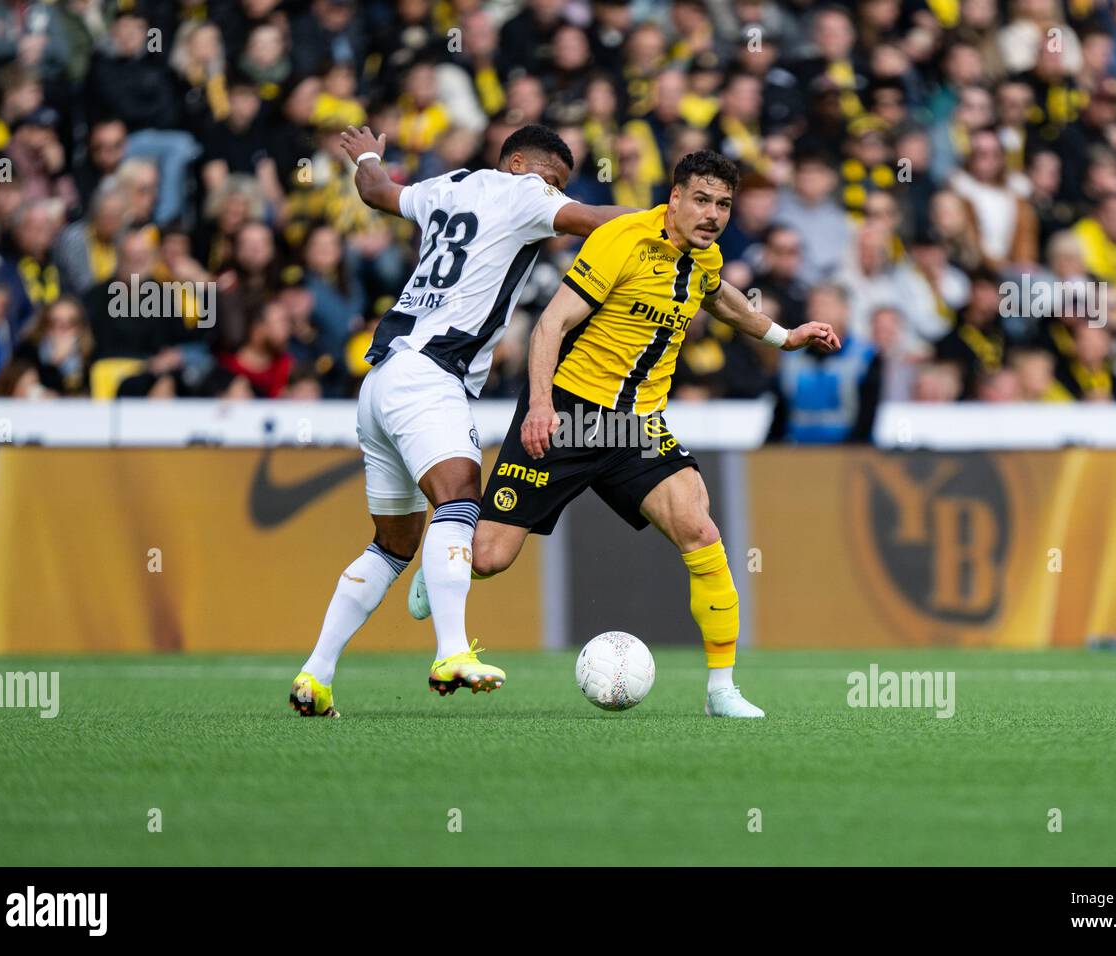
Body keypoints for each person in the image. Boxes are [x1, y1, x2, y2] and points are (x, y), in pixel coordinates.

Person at [406, 151, 840, 718]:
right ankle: (442, 561)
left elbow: (721, 296)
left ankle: (722, 690)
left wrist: (784, 336)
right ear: (676, 198)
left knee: (699, 527)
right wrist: (539, 407)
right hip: (569, 415)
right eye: (702, 200)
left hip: (636, 426)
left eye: (724, 205)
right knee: (488, 557)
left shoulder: (705, 257)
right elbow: (551, 324)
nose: (712, 215)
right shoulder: (622, 240)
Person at [289, 124, 632, 718]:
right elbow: (603, 219)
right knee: (460, 505)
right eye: (551, 180)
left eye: (558, 188)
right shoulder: (524, 191)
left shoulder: (447, 185)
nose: (553, 195)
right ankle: (451, 652)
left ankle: (315, 675)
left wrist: (368, 154)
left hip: (380, 382)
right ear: (518, 162)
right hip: (430, 375)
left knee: (394, 545)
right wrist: (668, 220)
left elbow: (375, 190)